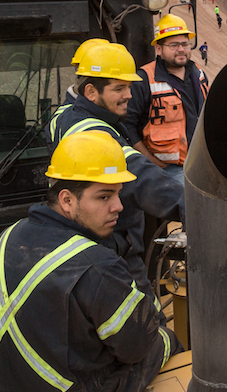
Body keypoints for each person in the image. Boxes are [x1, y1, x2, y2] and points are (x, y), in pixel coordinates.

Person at [0, 131, 179, 392]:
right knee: (166, 340)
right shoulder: (98, 267)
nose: (119, 206)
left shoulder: (7, 237)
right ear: (66, 200)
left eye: (119, 194)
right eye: (104, 197)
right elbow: (137, 346)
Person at [46, 42, 185, 292]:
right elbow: (138, 174)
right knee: (144, 315)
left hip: (95, 237)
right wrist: (194, 206)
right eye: (119, 88)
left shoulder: (66, 114)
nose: (129, 95)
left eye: (130, 87)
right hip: (113, 244)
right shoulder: (91, 132)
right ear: (90, 92)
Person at [122, 14, 209, 186]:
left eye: (185, 44)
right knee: (189, 207)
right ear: (159, 49)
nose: (181, 49)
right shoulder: (145, 79)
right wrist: (150, 161)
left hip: (199, 162)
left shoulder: (198, 73)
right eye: (173, 45)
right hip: (167, 169)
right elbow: (127, 126)